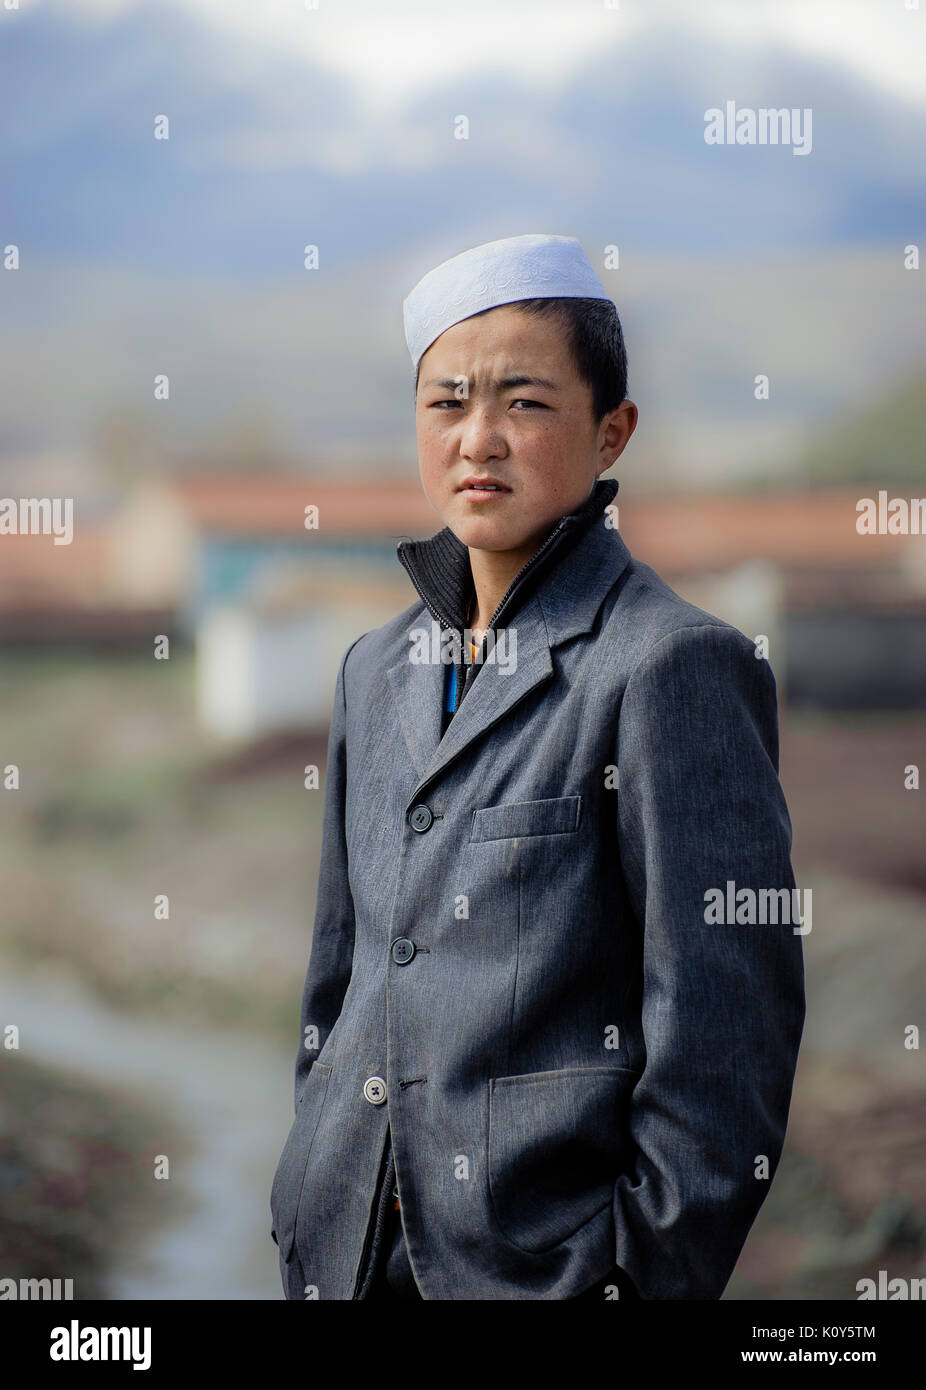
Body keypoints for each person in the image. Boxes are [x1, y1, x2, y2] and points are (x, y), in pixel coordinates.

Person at [269, 233, 806, 1300]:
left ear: (611, 431)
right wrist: (306, 1190)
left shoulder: (669, 665)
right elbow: (340, 976)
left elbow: (724, 1035)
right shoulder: (374, 672)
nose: (479, 439)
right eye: (446, 402)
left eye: (523, 402)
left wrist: (629, 1276)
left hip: (540, 1270)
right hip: (339, 1262)